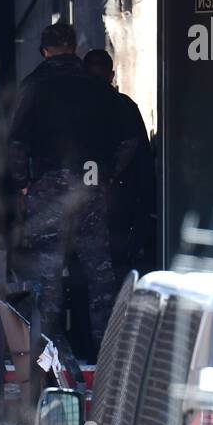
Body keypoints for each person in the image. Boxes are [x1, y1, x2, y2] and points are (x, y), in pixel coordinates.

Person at [7, 23, 123, 353]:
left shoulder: (33, 87)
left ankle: (47, 355)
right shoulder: (96, 87)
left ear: (44, 50)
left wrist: (23, 185)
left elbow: (16, 143)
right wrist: (108, 173)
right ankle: (107, 355)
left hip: (48, 189)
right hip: (91, 188)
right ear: (74, 48)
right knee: (100, 273)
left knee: (47, 276)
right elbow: (124, 138)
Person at [83, 49, 156, 277]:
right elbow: (142, 159)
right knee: (114, 266)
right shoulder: (124, 106)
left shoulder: (73, 106)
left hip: (83, 197)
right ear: (112, 75)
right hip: (119, 197)